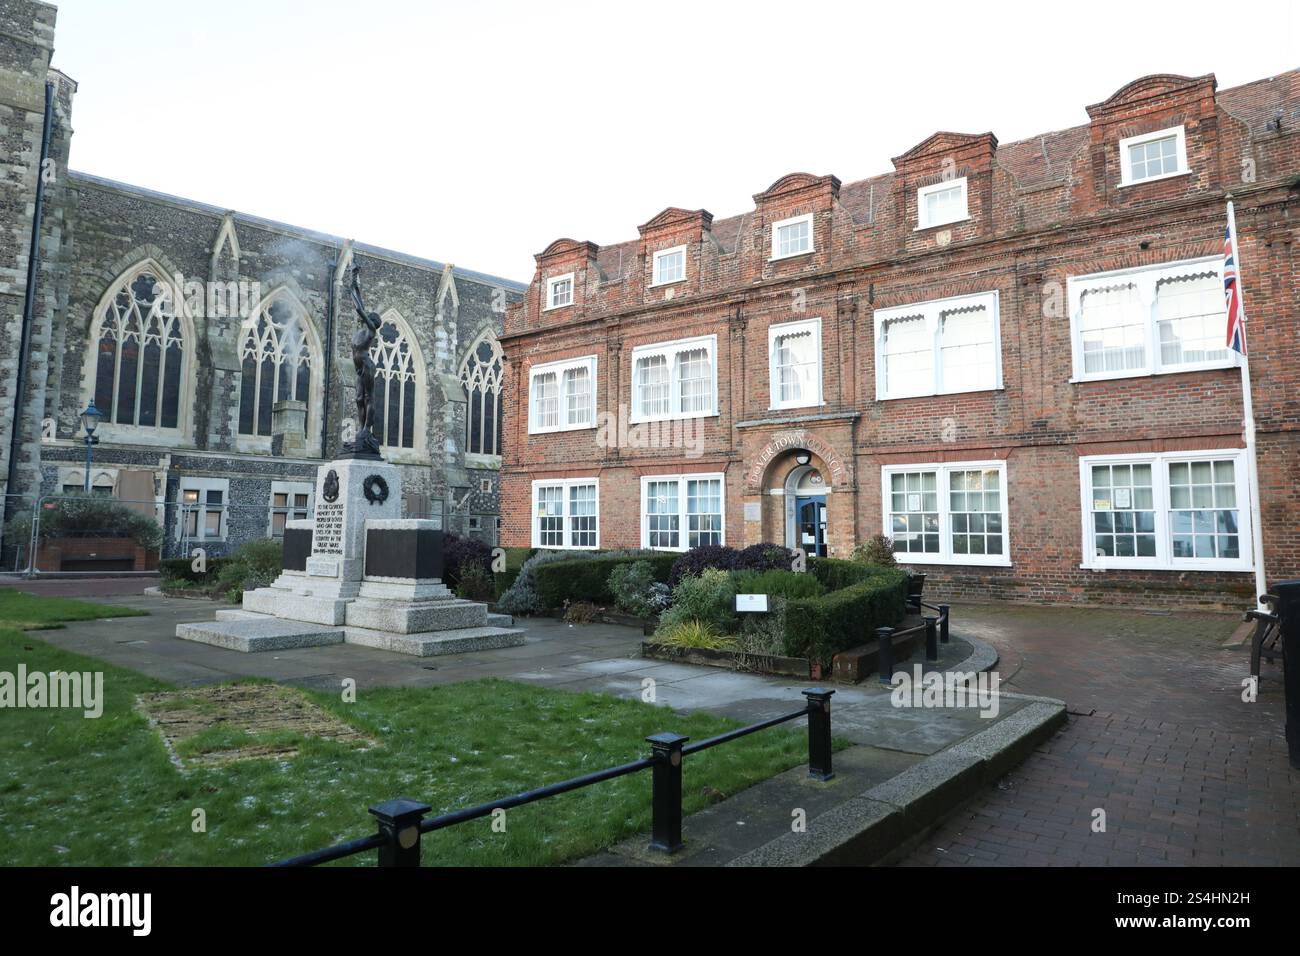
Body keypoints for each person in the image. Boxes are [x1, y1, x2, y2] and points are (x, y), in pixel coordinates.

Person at [347, 265, 383, 456]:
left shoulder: (371, 330)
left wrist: (350, 291)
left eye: (370, 317)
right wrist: (354, 283)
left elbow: (360, 309)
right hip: (359, 367)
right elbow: (361, 304)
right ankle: (362, 431)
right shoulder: (362, 329)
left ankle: (366, 431)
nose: (367, 315)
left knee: (369, 397)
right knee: (359, 399)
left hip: (367, 364)